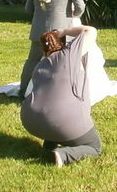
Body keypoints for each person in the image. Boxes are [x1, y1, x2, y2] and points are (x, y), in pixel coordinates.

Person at [21, 25, 103, 167]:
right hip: (62, 121)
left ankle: (50, 144)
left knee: (54, 104)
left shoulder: (41, 64)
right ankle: (63, 155)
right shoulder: (69, 55)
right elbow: (91, 31)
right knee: (95, 147)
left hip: (30, 119)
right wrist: (63, 32)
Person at [16, 0, 85, 97]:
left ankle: (23, 90)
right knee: (61, 62)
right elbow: (81, 7)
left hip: (38, 29)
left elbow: (28, 9)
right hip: (61, 31)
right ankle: (61, 93)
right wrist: (71, 17)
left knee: (32, 61)